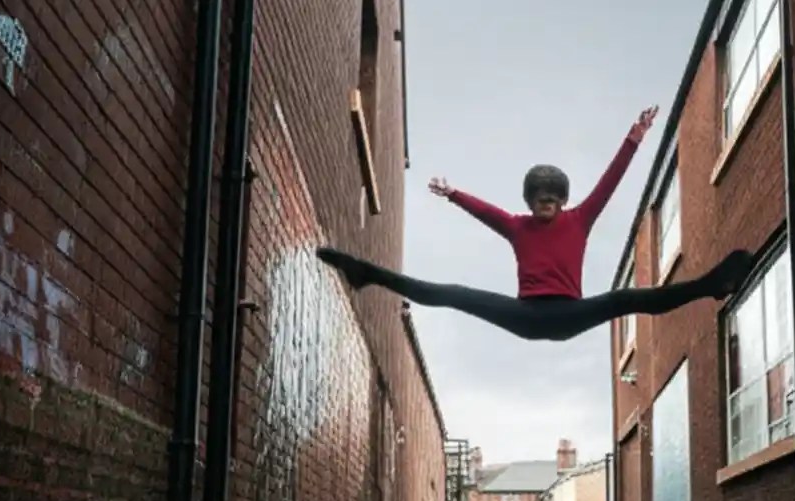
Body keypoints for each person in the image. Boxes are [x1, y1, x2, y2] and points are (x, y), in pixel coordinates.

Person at [317, 106, 753, 341]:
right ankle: (365, 274)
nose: (547, 207)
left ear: (563, 201)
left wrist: (633, 139)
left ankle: (710, 286)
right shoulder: (516, 225)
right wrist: (453, 195)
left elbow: (610, 182)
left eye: (554, 200)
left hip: (570, 314)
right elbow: (487, 212)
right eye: (540, 200)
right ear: (531, 201)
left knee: (629, 298)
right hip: (526, 315)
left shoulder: (580, 218)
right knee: (452, 293)